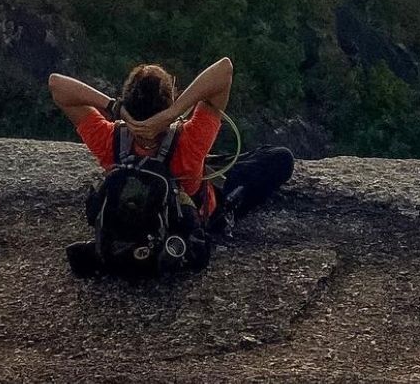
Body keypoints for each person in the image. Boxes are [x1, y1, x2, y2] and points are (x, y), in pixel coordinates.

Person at [48, 56, 294, 275]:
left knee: (218, 162)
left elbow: (57, 85)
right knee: (277, 157)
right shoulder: (189, 141)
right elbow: (224, 69)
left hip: (135, 218)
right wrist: (174, 112)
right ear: (169, 102)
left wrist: (115, 108)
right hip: (197, 213)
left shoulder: (110, 141)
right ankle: (223, 211)